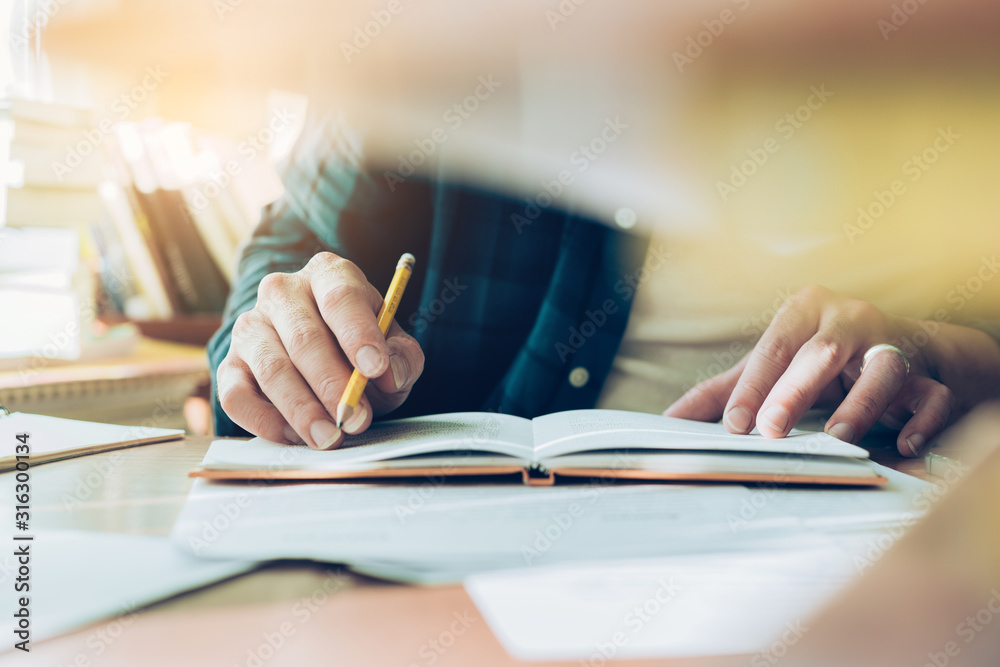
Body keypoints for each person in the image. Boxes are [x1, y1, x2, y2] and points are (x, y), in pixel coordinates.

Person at [208, 114, 1000, 457]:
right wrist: (275, 330)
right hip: (489, 528)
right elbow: (298, 237)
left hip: (883, 522)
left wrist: (933, 350)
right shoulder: (423, 35)